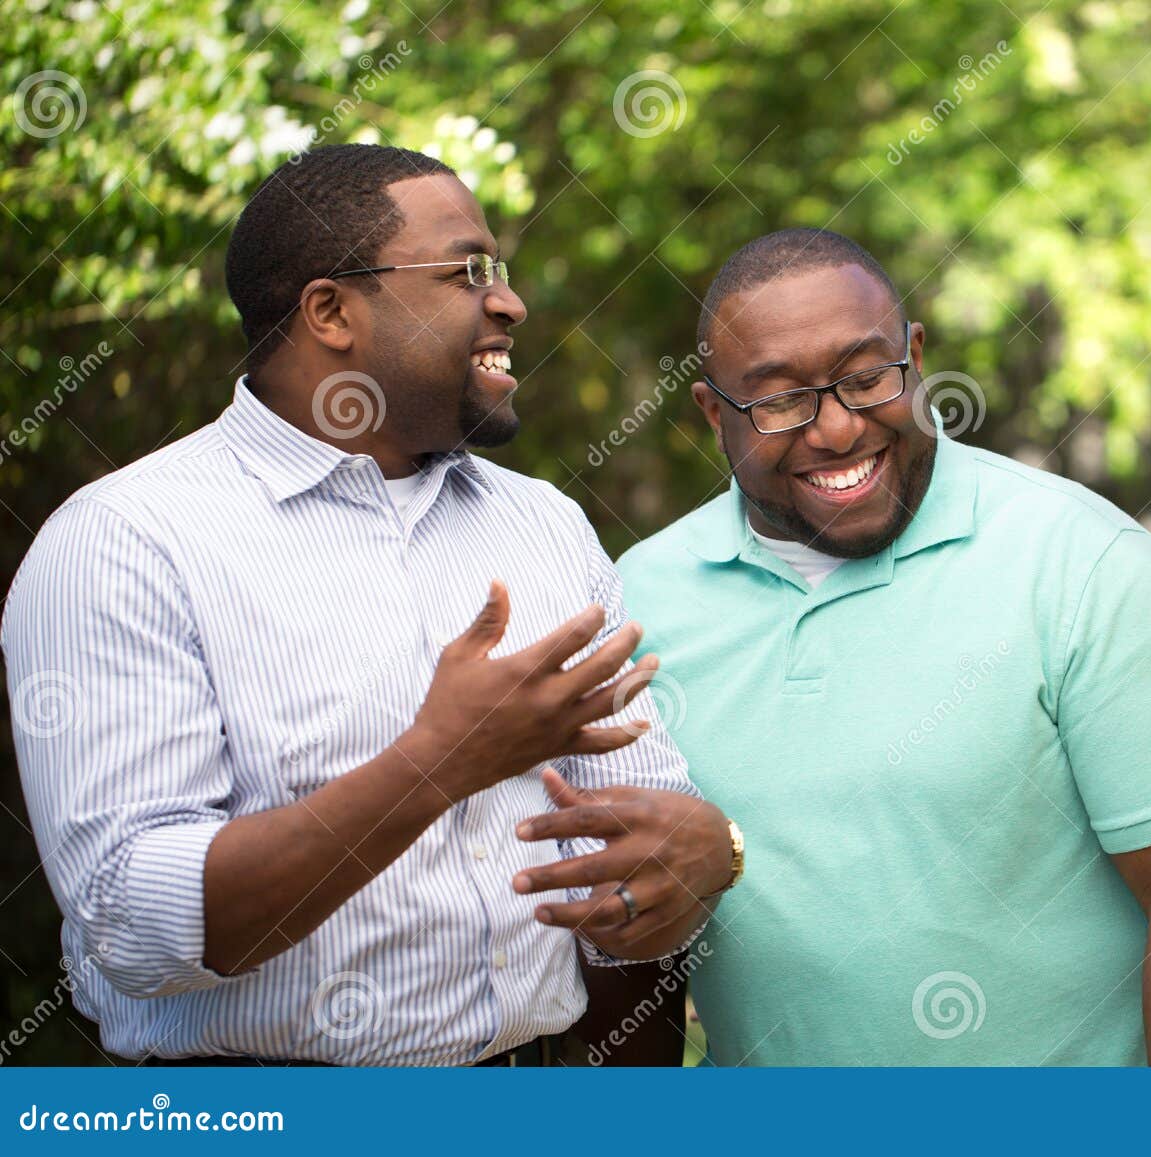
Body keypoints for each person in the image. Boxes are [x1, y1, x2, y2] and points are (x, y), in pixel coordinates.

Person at [2, 144, 737, 1066]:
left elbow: (643, 833)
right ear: (332, 312)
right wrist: (437, 763)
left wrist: (702, 854)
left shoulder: (543, 522)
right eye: (469, 272)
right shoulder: (125, 540)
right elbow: (131, 925)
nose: (510, 302)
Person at [615, 228, 1151, 1065]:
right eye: (779, 400)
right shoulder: (638, 599)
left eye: (866, 378)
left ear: (916, 359)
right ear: (713, 413)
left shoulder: (1082, 560)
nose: (836, 429)